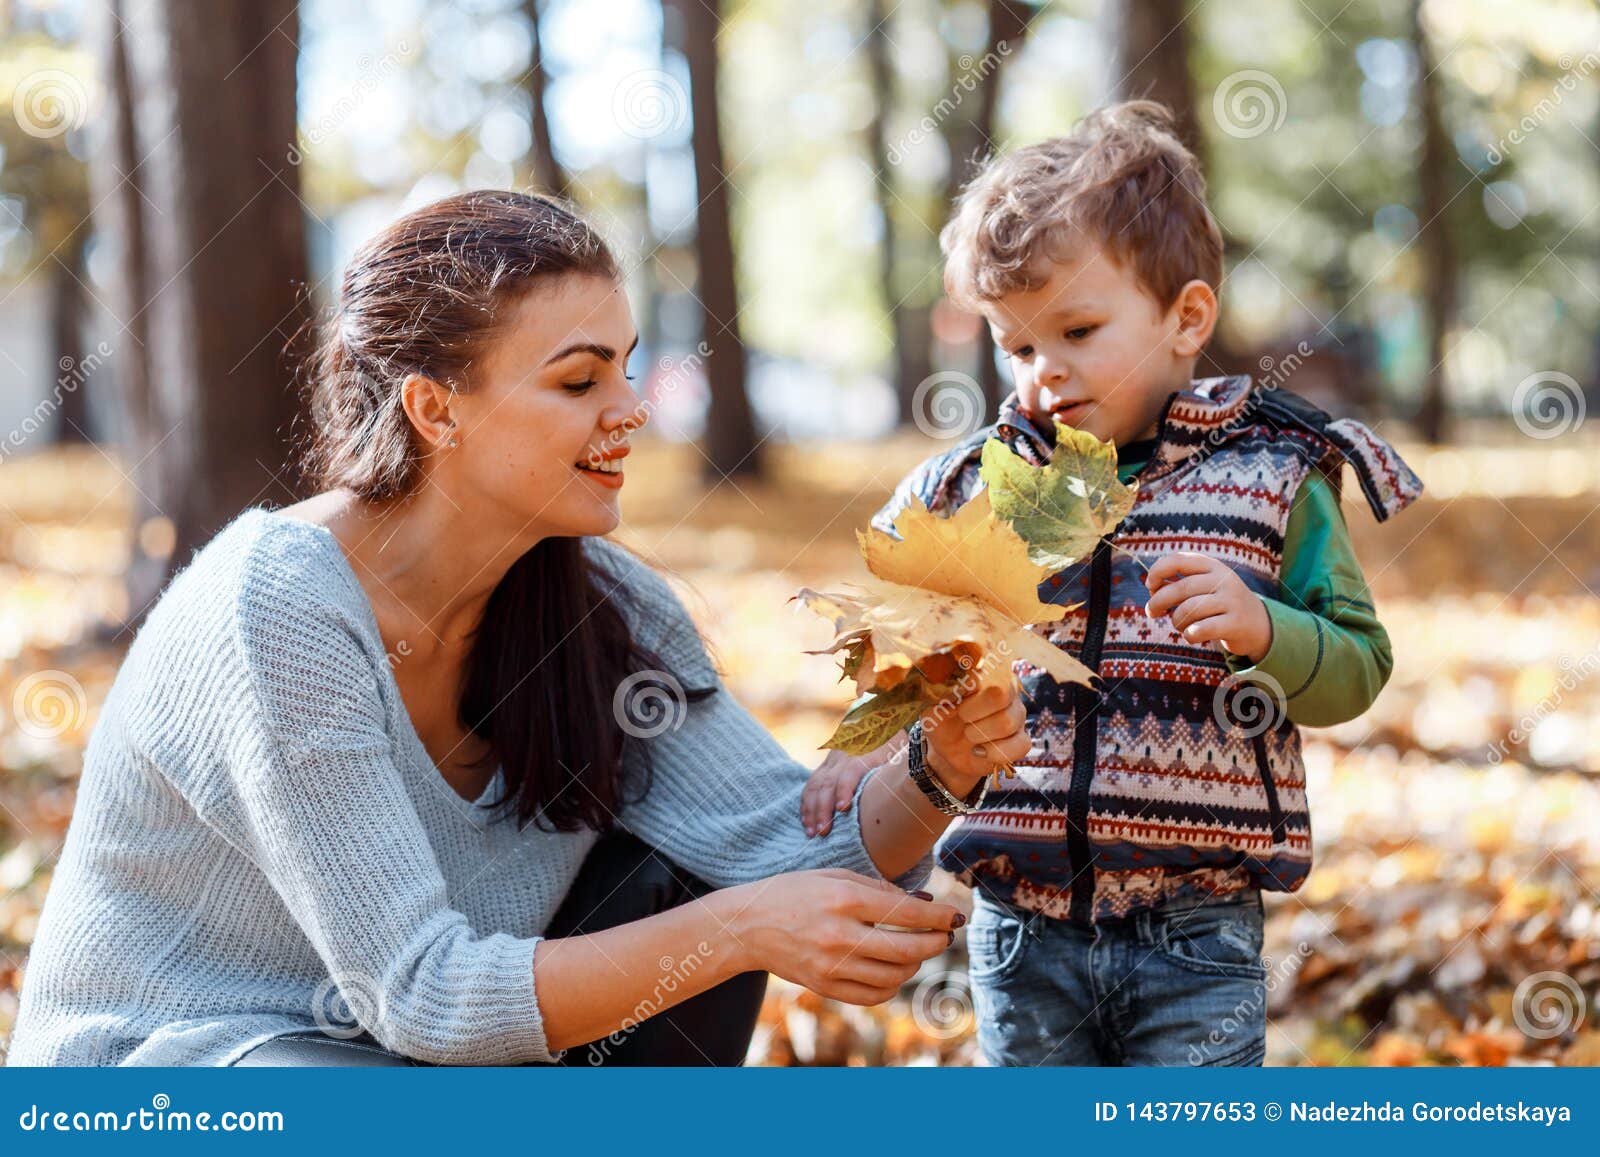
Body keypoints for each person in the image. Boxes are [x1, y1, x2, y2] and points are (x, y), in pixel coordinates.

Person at [8, 190, 1033, 1068]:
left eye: (629, 368)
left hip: (404, 1073)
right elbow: (424, 994)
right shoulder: (274, 606)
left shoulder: (606, 610)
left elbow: (787, 860)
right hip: (185, 1072)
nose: (631, 410)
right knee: (711, 922)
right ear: (434, 409)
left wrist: (935, 764)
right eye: (580, 380)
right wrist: (737, 924)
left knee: (682, 888)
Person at [802, 102, 1424, 1067]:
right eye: (1017, 345)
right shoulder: (973, 489)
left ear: (1186, 318)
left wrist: (1267, 628)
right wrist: (869, 738)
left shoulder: (1270, 477)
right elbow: (909, 636)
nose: (1044, 372)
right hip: (1020, 922)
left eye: (1078, 329)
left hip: (1196, 929)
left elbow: (1361, 663)